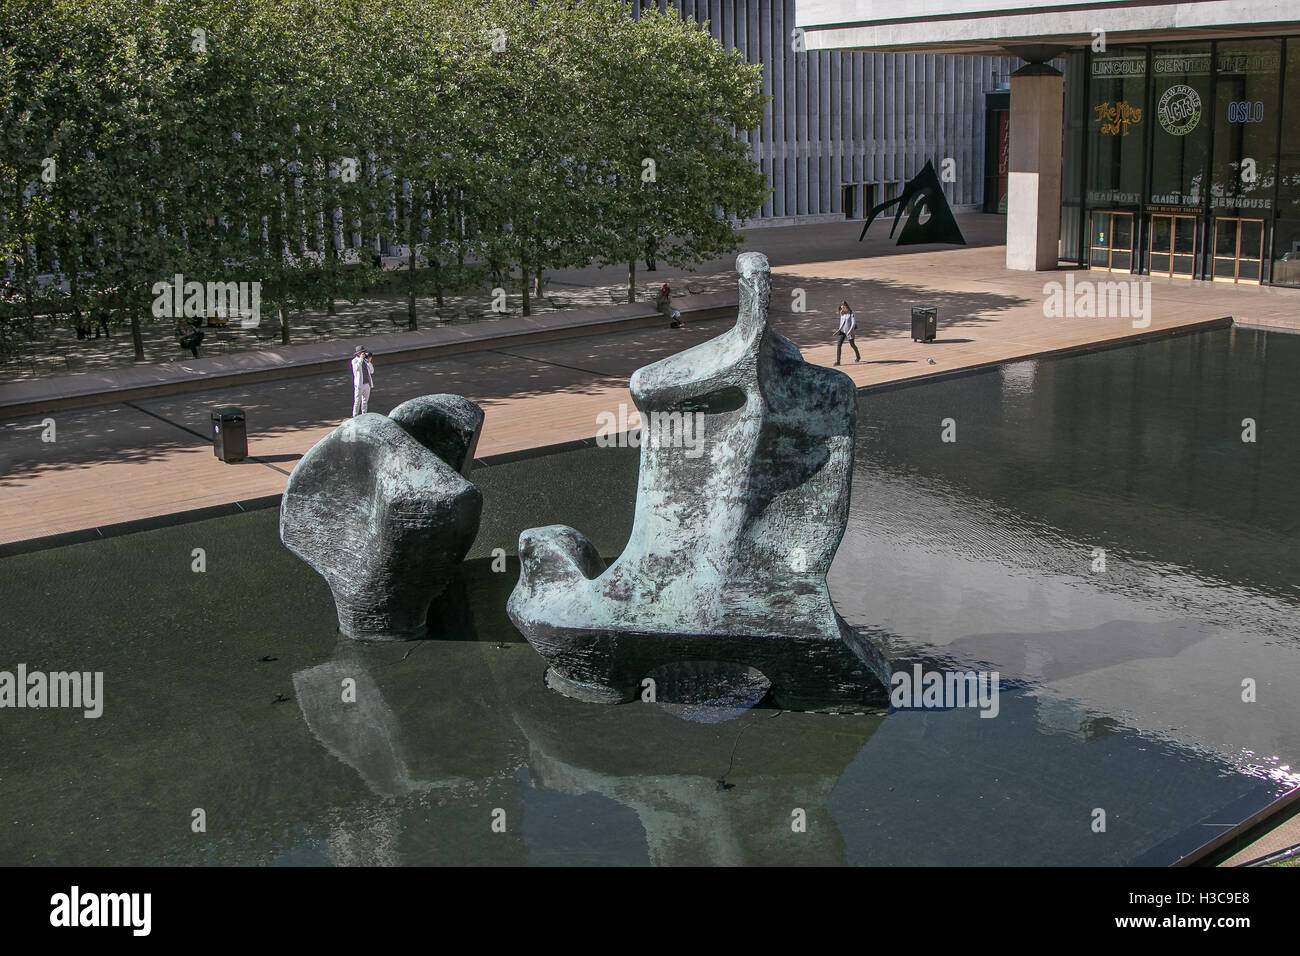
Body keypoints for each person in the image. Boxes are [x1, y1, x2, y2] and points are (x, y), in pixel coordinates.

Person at [351, 345, 375, 416]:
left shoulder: (365, 360)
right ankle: (355, 415)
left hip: (367, 383)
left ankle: (364, 414)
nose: (363, 354)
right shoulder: (354, 361)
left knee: (365, 401)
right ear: (358, 353)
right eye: (362, 352)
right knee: (357, 401)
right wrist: (361, 359)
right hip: (359, 384)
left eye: (363, 352)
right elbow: (356, 369)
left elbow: (372, 371)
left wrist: (369, 362)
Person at [835, 301, 860, 366]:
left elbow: (853, 323)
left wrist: (850, 331)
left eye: (843, 307)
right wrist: (839, 330)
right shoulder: (841, 312)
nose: (842, 308)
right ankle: (838, 362)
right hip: (842, 332)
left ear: (846, 306)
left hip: (849, 332)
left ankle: (858, 357)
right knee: (839, 345)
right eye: (841, 307)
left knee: (852, 345)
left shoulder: (851, 313)